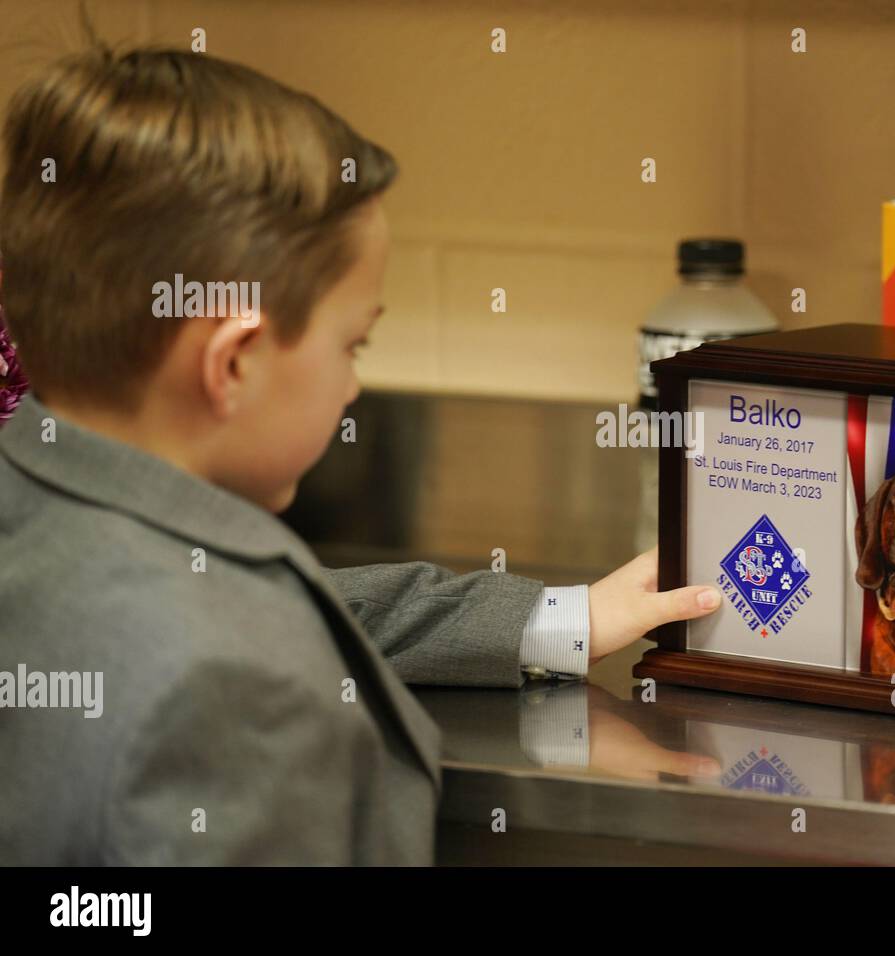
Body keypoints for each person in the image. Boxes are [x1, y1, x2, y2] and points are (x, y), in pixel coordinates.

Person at [0, 40, 721, 864]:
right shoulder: (237, 688)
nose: (352, 389)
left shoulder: (41, 509)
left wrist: (560, 619)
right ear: (231, 364)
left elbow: (305, 607)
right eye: (353, 345)